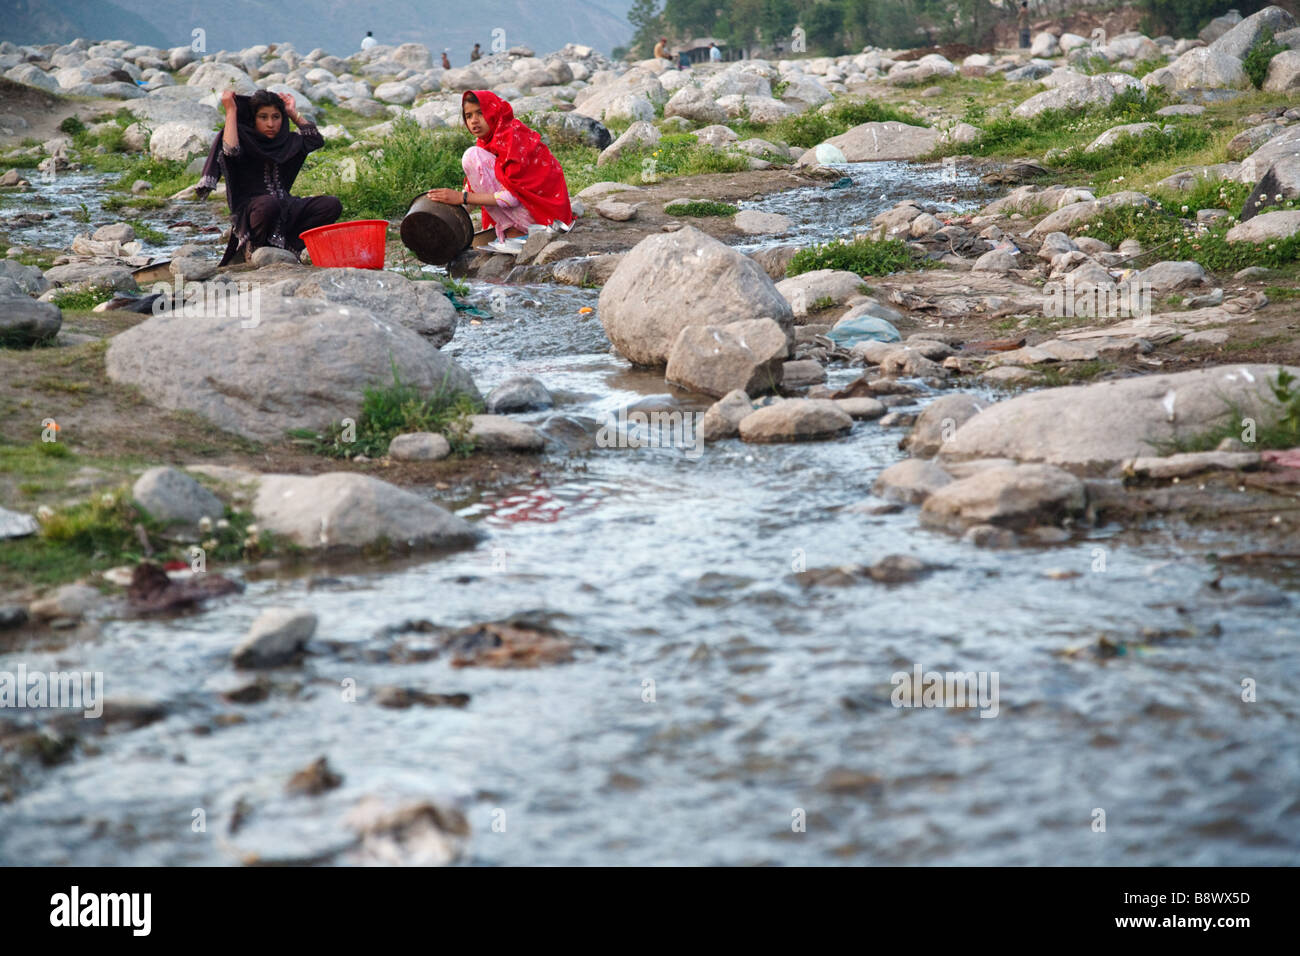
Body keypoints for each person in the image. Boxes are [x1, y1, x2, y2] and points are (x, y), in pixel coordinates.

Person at [197, 89, 341, 266]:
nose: (271, 124)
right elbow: (230, 150)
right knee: (268, 205)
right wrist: (231, 111)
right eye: (263, 117)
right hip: (254, 211)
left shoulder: (287, 141)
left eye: (276, 117)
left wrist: (292, 113)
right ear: (253, 118)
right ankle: (255, 248)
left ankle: (289, 246)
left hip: (285, 206)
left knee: (331, 204)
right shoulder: (242, 138)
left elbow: (315, 140)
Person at [424, 90, 573, 255]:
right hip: (533, 213)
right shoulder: (487, 143)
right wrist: (445, 214)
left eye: (480, 113)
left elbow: (511, 197)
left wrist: (462, 198)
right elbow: (477, 190)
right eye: (468, 116)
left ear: (493, 112)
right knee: (473, 156)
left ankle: (519, 232)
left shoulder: (513, 138)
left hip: (542, 218)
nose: (474, 121)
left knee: (471, 156)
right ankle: (513, 231)